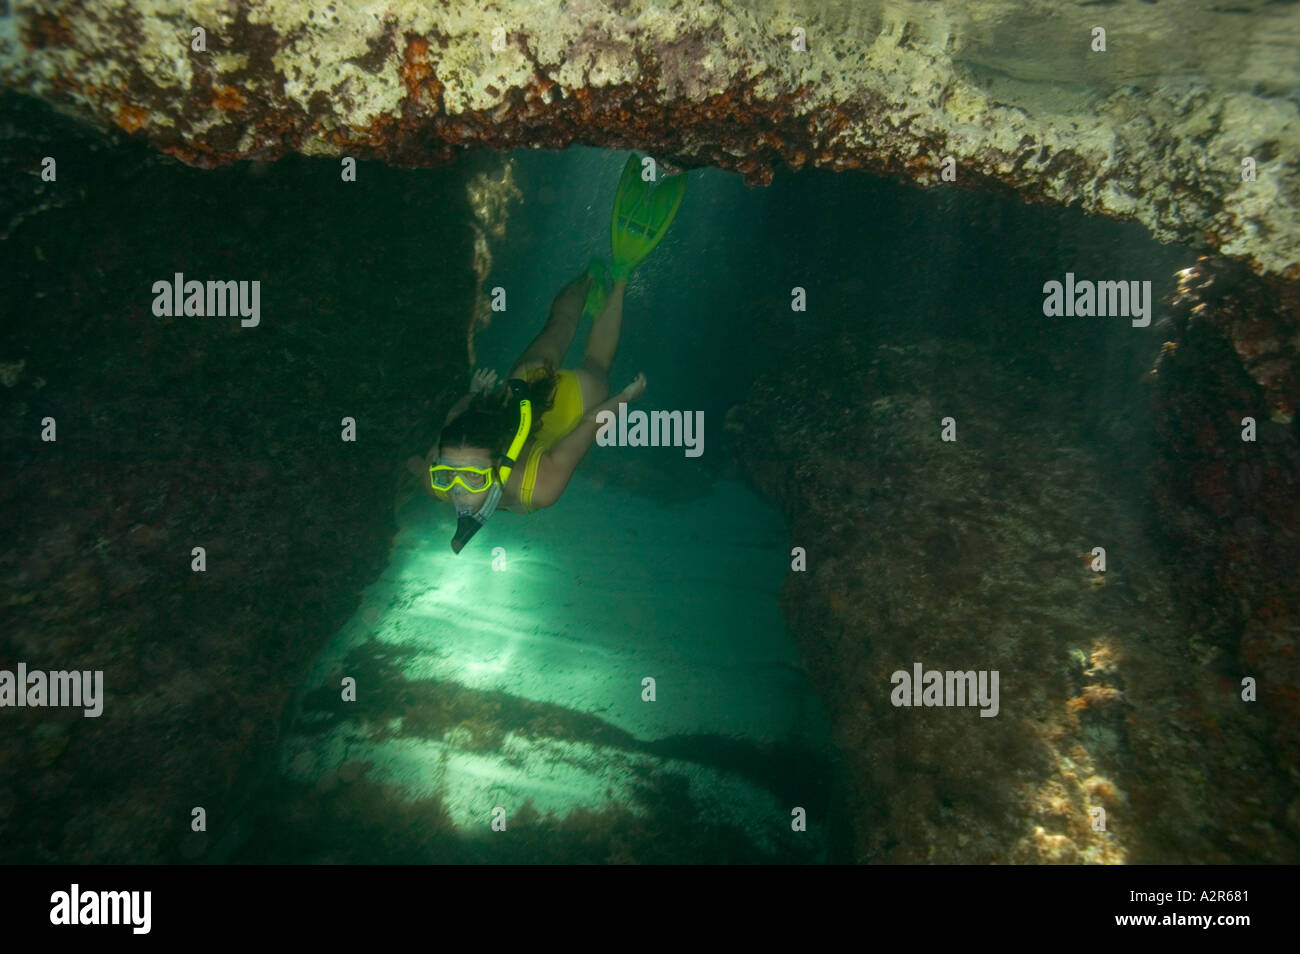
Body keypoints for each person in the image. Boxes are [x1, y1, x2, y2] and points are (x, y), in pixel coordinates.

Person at [408, 154, 686, 553]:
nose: (453, 489)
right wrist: (623, 399)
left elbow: (456, 419)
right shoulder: (542, 489)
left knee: (557, 328)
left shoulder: (527, 482)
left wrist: (474, 394)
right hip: (570, 410)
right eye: (446, 476)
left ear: (499, 464)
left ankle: (593, 276)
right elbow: (588, 425)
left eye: (467, 478)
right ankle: (623, 277)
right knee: (595, 368)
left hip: (523, 394)